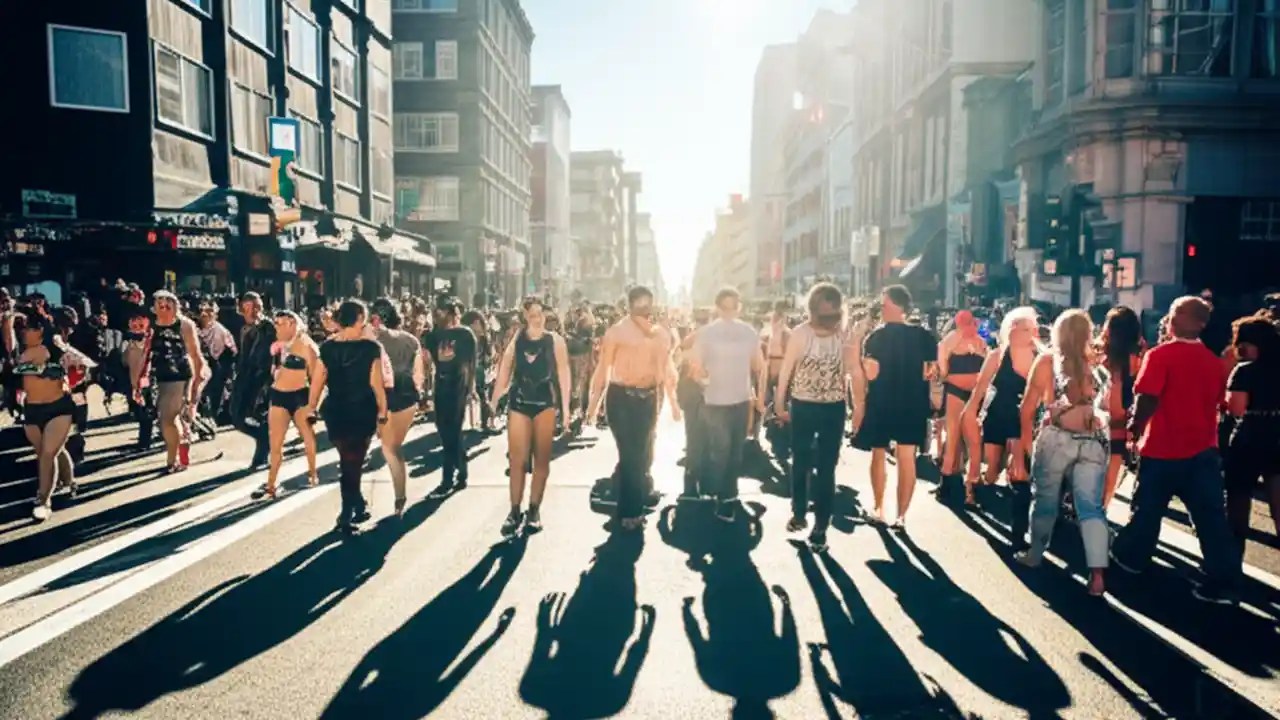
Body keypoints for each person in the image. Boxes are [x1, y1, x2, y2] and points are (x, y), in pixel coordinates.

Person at [1111, 296, 1242, 604]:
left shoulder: (1160, 356)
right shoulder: (1214, 363)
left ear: (1197, 323)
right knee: (1210, 518)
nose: (1170, 319)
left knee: (1147, 511)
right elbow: (1221, 405)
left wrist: (1134, 429)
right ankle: (1224, 579)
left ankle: (1130, 562)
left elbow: (1147, 399)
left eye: (1176, 314)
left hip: (1162, 448)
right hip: (1203, 450)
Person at [1016, 310, 1110, 596]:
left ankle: (1035, 553)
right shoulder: (1099, 367)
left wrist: (1024, 447)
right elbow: (1109, 409)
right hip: (1093, 441)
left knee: (1045, 499)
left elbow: (1028, 407)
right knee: (1091, 508)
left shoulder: (1047, 361)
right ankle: (1097, 575)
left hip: (1057, 438)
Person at [586, 286, 680, 532]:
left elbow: (668, 371)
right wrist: (593, 405)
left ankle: (628, 499)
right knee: (631, 455)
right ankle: (630, 511)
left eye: (647, 303)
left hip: (649, 397)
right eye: (639, 303)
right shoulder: (617, 332)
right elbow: (603, 369)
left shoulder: (661, 335)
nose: (643, 308)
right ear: (629, 305)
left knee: (641, 454)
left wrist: (674, 403)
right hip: (621, 398)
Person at [775, 283, 857, 551]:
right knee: (801, 460)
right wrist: (779, 403)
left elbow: (851, 370)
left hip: (833, 406)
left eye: (833, 315)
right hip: (804, 404)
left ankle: (820, 526)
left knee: (826, 468)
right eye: (824, 315)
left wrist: (858, 405)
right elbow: (787, 369)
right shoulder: (801, 334)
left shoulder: (843, 335)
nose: (828, 321)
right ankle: (799, 512)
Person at [853, 285, 938, 529]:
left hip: (882, 400)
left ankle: (879, 508)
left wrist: (859, 358)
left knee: (878, 453)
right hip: (912, 401)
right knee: (906, 456)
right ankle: (901, 516)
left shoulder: (876, 337)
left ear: (892, 305)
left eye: (883, 303)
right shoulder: (924, 336)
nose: (880, 307)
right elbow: (930, 373)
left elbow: (872, 373)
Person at [490, 297, 572, 536]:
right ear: (525, 316)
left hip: (545, 403)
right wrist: (494, 401)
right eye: (532, 313)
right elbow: (505, 370)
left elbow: (564, 374)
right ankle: (514, 511)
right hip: (519, 402)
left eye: (540, 313)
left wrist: (566, 410)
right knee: (517, 461)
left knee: (542, 460)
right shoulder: (517, 339)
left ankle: (534, 510)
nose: (537, 317)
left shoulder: (554, 340)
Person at [963, 306, 1041, 549]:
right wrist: (970, 412)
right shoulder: (997, 356)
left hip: (1023, 419)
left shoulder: (1040, 357)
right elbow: (980, 389)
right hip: (997, 414)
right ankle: (980, 489)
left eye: (1026, 328)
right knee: (993, 467)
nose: (1022, 332)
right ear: (1009, 330)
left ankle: (1019, 530)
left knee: (1020, 471)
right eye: (1017, 328)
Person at [687, 287, 766, 523]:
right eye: (726, 307)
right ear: (718, 308)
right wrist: (704, 379)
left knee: (735, 451)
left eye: (734, 306)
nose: (730, 311)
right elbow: (695, 367)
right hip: (715, 401)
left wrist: (759, 397)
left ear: (739, 307)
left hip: (741, 399)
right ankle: (721, 494)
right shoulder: (707, 334)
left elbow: (759, 366)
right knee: (721, 450)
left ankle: (724, 495)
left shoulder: (748, 332)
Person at [310, 299, 387, 534]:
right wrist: (383, 410)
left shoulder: (327, 347)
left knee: (348, 459)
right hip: (362, 409)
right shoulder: (370, 348)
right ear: (360, 319)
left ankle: (358, 504)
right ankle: (345, 513)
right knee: (351, 462)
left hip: (335, 409)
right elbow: (377, 383)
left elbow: (317, 379)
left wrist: (312, 406)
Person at [14, 312, 80, 520]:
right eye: (21, 328)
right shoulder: (17, 351)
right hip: (32, 410)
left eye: (29, 328)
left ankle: (43, 500)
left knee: (47, 453)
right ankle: (69, 481)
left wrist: (73, 369)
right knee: (45, 450)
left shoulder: (54, 346)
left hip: (58, 407)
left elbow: (81, 364)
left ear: (40, 330)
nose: (24, 332)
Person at [1223, 316, 1280, 549]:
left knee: (1238, 500)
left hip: (1249, 437)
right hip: (1277, 437)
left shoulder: (1245, 371)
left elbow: (1236, 407)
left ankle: (1231, 567)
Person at [253, 311, 320, 500]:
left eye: (280, 323)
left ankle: (312, 473)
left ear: (291, 323)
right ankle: (271, 483)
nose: (276, 327)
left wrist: (314, 405)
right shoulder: (277, 345)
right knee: (275, 441)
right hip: (279, 394)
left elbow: (316, 376)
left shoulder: (307, 344)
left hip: (300, 396)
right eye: (275, 323)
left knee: (307, 435)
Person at [370, 298, 425, 516]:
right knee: (394, 447)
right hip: (408, 395)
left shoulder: (373, 338)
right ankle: (400, 496)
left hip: (385, 394)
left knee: (389, 447)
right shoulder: (411, 340)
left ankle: (400, 498)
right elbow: (418, 374)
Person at [422, 296, 477, 496]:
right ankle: (461, 469)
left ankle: (448, 476)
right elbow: (429, 363)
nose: (438, 315)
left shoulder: (465, 334)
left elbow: (472, 363)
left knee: (453, 428)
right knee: (444, 430)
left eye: (443, 311)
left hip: (458, 385)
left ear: (453, 313)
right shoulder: (433, 335)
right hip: (441, 384)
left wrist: (471, 389)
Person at [149, 291, 204, 473]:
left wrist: (195, 384)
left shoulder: (184, 325)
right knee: (167, 418)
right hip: (158, 375)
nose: (164, 309)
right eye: (160, 305)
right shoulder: (150, 324)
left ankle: (172, 461)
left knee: (168, 418)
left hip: (179, 374)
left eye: (168, 305)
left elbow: (195, 355)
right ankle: (183, 446)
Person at [936, 310, 988, 504]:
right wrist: (945, 374)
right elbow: (942, 358)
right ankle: (950, 481)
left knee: (973, 440)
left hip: (974, 394)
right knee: (954, 436)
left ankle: (971, 484)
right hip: (956, 391)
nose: (970, 326)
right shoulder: (952, 339)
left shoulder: (980, 342)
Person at [1099, 306, 1144, 509]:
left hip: (1100, 424)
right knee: (1111, 477)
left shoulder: (1103, 357)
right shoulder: (1139, 357)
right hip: (1122, 426)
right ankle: (1101, 512)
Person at [229, 292, 275, 470]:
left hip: (261, 376)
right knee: (236, 417)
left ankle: (262, 454)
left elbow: (272, 351)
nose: (255, 311)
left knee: (256, 414)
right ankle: (264, 437)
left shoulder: (267, 326)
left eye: (258, 307)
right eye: (250, 307)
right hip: (244, 376)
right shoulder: (240, 327)